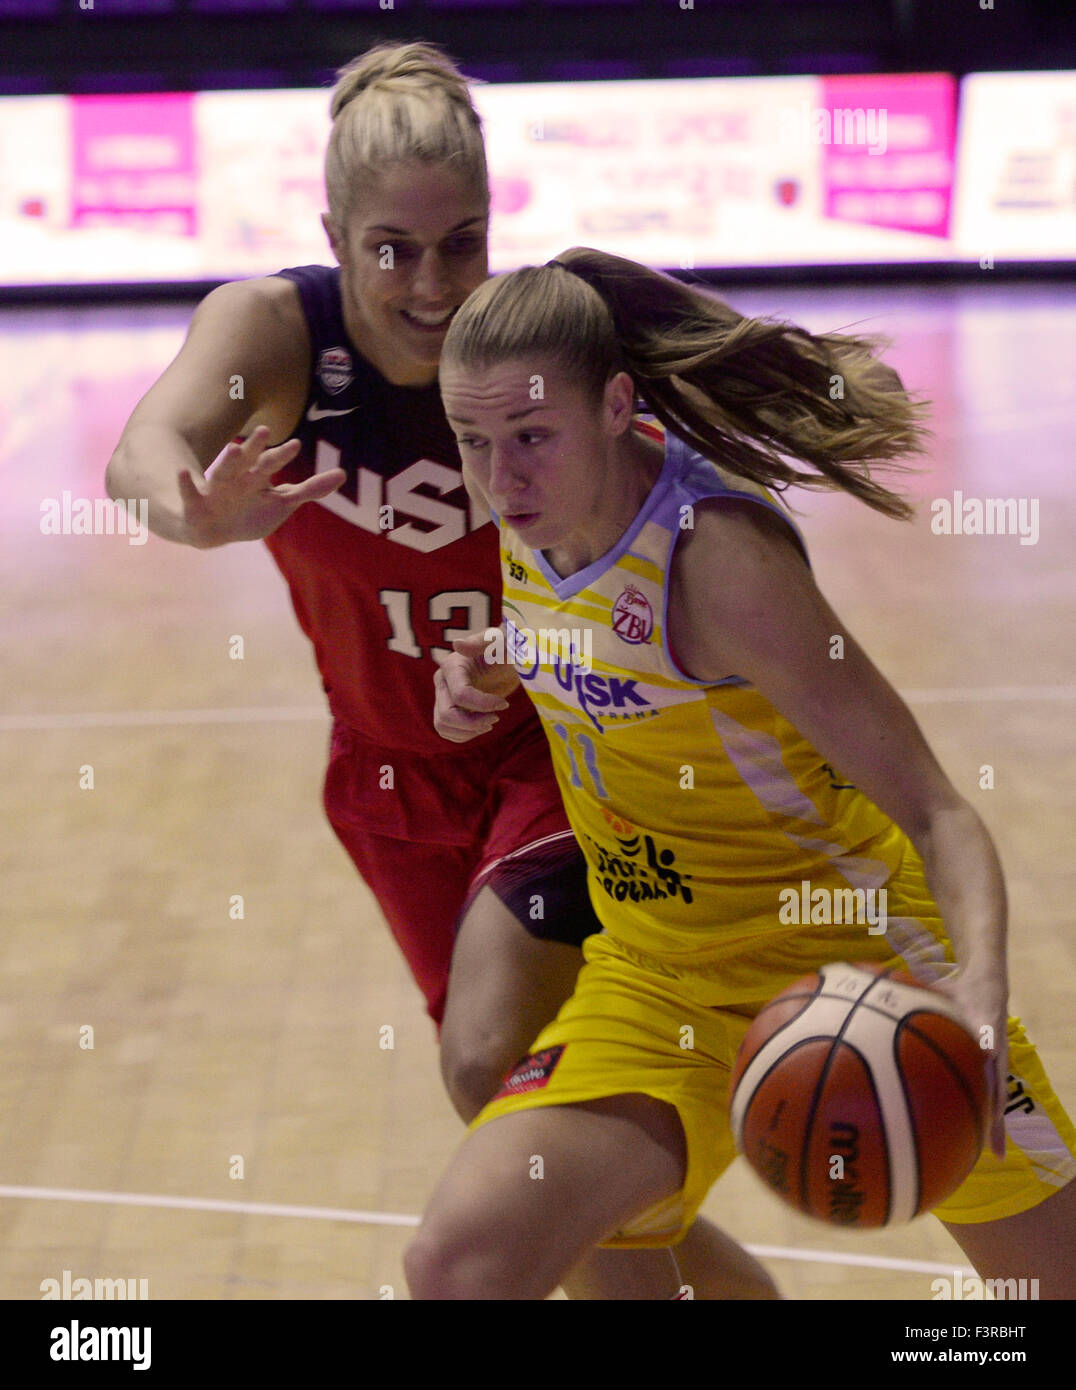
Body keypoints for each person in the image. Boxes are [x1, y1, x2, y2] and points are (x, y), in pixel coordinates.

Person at [105, 44, 771, 1300]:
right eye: (391, 248)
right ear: (333, 235)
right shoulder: (274, 331)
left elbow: (673, 516)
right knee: (525, 1116)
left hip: (548, 751)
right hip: (389, 781)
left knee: (487, 1066)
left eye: (459, 242)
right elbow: (146, 443)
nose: (428, 283)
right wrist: (195, 512)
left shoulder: (522, 343)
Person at [407, 246, 1076, 1300]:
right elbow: (591, 639)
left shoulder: (718, 563)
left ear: (616, 406)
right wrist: (498, 664)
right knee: (458, 1264)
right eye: (471, 441)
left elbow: (934, 809)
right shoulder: (532, 516)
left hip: (855, 969)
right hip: (655, 974)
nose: (500, 476)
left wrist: (978, 993)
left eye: (529, 437)